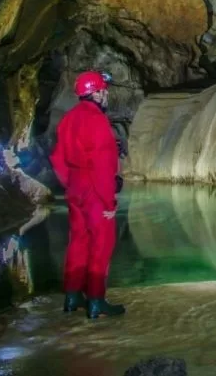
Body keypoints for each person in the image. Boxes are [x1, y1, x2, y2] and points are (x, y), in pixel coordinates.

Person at [49, 70, 125, 319]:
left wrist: (70, 183)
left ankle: (72, 296)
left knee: (78, 242)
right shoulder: (97, 120)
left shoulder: (69, 119)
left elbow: (57, 158)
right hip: (95, 189)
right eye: (104, 91)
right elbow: (102, 164)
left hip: (75, 187)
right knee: (101, 244)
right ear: (95, 93)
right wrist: (109, 200)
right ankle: (95, 300)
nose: (106, 95)